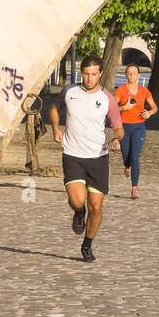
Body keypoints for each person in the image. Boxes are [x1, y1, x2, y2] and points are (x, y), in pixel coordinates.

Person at [49, 55, 123, 262]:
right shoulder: (69, 91)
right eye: (86, 74)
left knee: (96, 207)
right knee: (77, 200)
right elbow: (54, 109)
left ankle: (87, 245)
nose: (89, 78)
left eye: (93, 74)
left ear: (100, 74)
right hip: (72, 154)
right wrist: (55, 129)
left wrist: (116, 139)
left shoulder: (108, 98)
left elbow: (119, 127)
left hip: (98, 158)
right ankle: (78, 212)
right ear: (81, 73)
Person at [114, 63, 158, 200]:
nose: (132, 75)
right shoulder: (121, 90)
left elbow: (154, 107)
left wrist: (149, 113)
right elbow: (112, 108)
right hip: (124, 127)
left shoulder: (144, 91)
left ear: (138, 75)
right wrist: (124, 108)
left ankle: (134, 189)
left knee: (135, 157)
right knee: (126, 156)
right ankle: (127, 166)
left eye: (134, 73)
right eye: (129, 73)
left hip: (139, 127)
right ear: (126, 75)